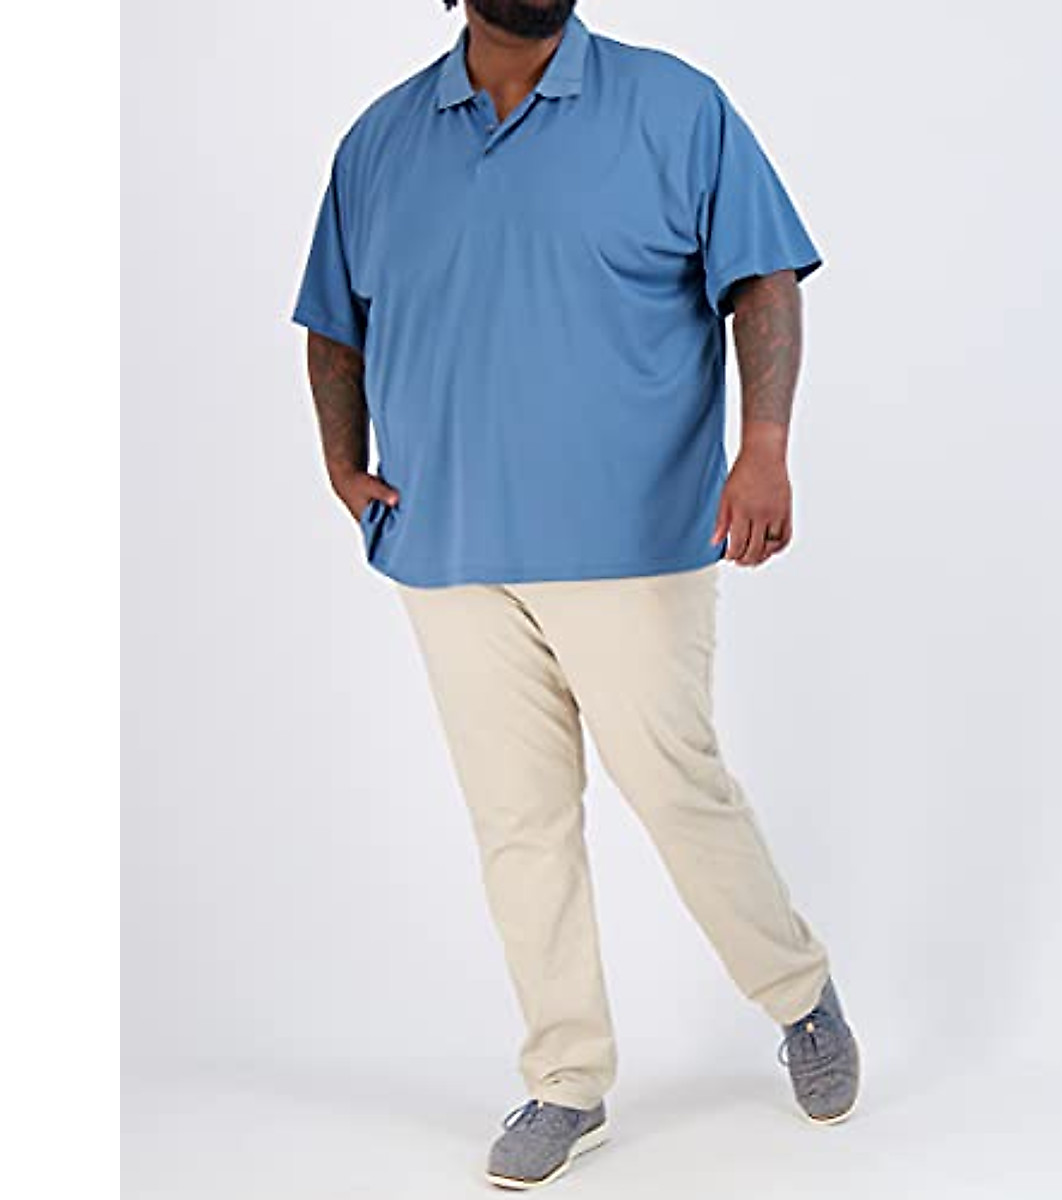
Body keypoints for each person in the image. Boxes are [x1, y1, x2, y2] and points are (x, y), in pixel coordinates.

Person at [293, 0, 860, 1188]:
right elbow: (335, 323)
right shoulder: (380, 142)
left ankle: (799, 995)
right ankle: (566, 1079)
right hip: (448, 549)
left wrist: (764, 446)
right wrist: (344, 466)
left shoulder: (675, 106)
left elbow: (764, 279)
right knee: (519, 823)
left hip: (634, 539)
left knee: (677, 788)